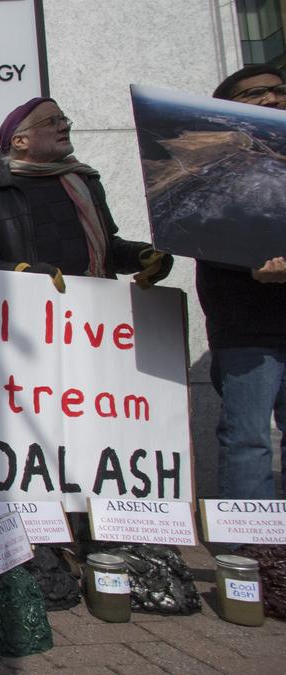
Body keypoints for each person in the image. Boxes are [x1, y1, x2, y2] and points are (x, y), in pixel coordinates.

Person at [0, 97, 172, 291]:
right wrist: (21, 273)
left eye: (63, 119)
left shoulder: (86, 184)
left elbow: (106, 250)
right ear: (20, 141)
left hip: (92, 320)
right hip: (30, 321)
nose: (64, 127)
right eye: (51, 122)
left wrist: (140, 256)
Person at [202, 64, 286, 500]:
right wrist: (249, 266)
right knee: (248, 439)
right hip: (245, 327)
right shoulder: (209, 170)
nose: (272, 100)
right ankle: (252, 552)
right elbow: (197, 231)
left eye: (278, 91)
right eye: (256, 95)